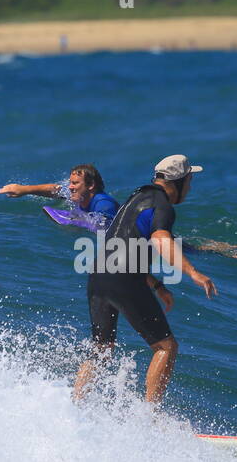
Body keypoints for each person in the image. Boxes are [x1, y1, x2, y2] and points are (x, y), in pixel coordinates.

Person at [74, 155, 217, 405]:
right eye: (190, 181)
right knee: (166, 347)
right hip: (123, 278)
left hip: (98, 276)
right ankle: (151, 420)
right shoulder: (162, 204)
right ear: (178, 181)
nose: (191, 187)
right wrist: (192, 272)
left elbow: (120, 249)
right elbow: (161, 239)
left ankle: (75, 405)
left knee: (101, 349)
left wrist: (156, 284)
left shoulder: (134, 199)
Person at [0, 164, 119, 221]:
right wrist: (24, 190)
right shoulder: (79, 195)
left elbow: (108, 229)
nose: (70, 187)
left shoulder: (104, 204)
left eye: (75, 183)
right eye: (70, 182)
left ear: (91, 185)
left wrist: (77, 220)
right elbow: (55, 190)